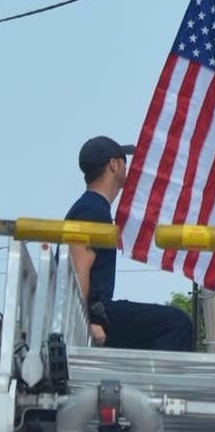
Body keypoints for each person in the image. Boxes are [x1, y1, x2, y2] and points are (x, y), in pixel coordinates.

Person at [66, 136, 193, 352]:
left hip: (99, 311)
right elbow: (79, 268)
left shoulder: (93, 207)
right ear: (113, 165)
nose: (127, 166)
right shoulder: (91, 209)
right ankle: (157, 385)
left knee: (171, 323)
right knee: (177, 324)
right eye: (124, 160)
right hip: (96, 314)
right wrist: (89, 321)